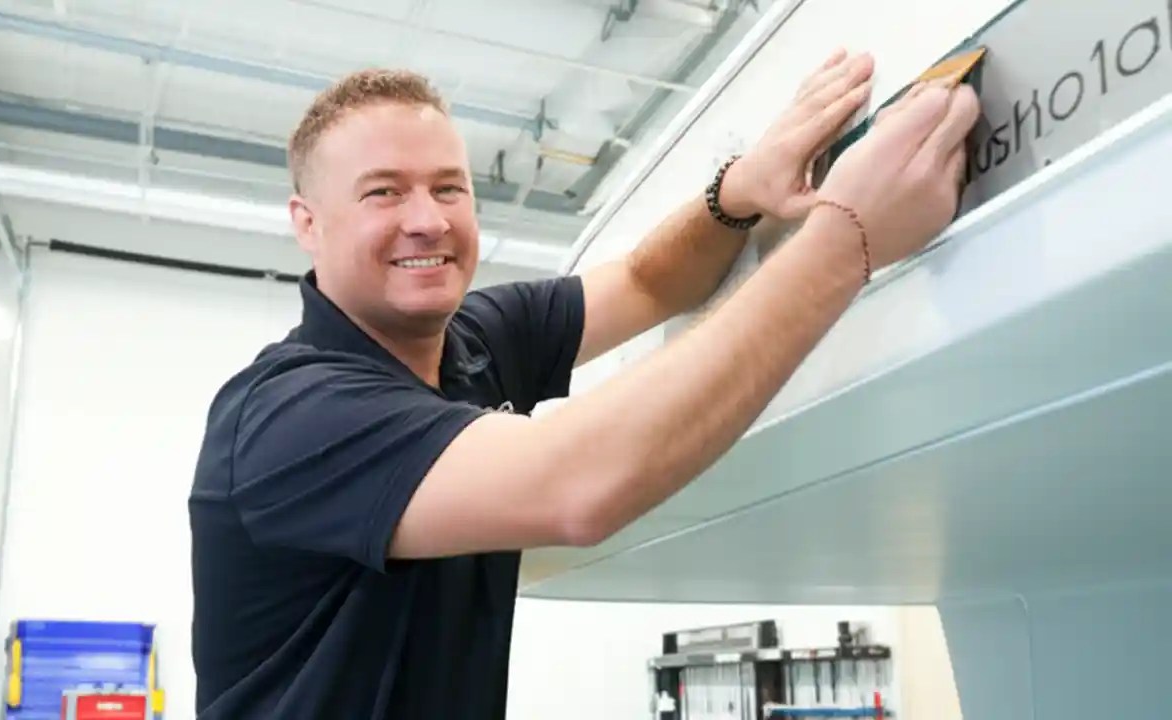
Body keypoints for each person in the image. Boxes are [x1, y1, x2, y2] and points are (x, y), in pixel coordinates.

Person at [189, 50, 980, 718]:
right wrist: (848, 237)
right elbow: (577, 486)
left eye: (449, 187)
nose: (427, 218)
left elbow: (643, 281)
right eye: (383, 191)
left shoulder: (476, 342)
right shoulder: (286, 414)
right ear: (307, 221)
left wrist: (737, 191)